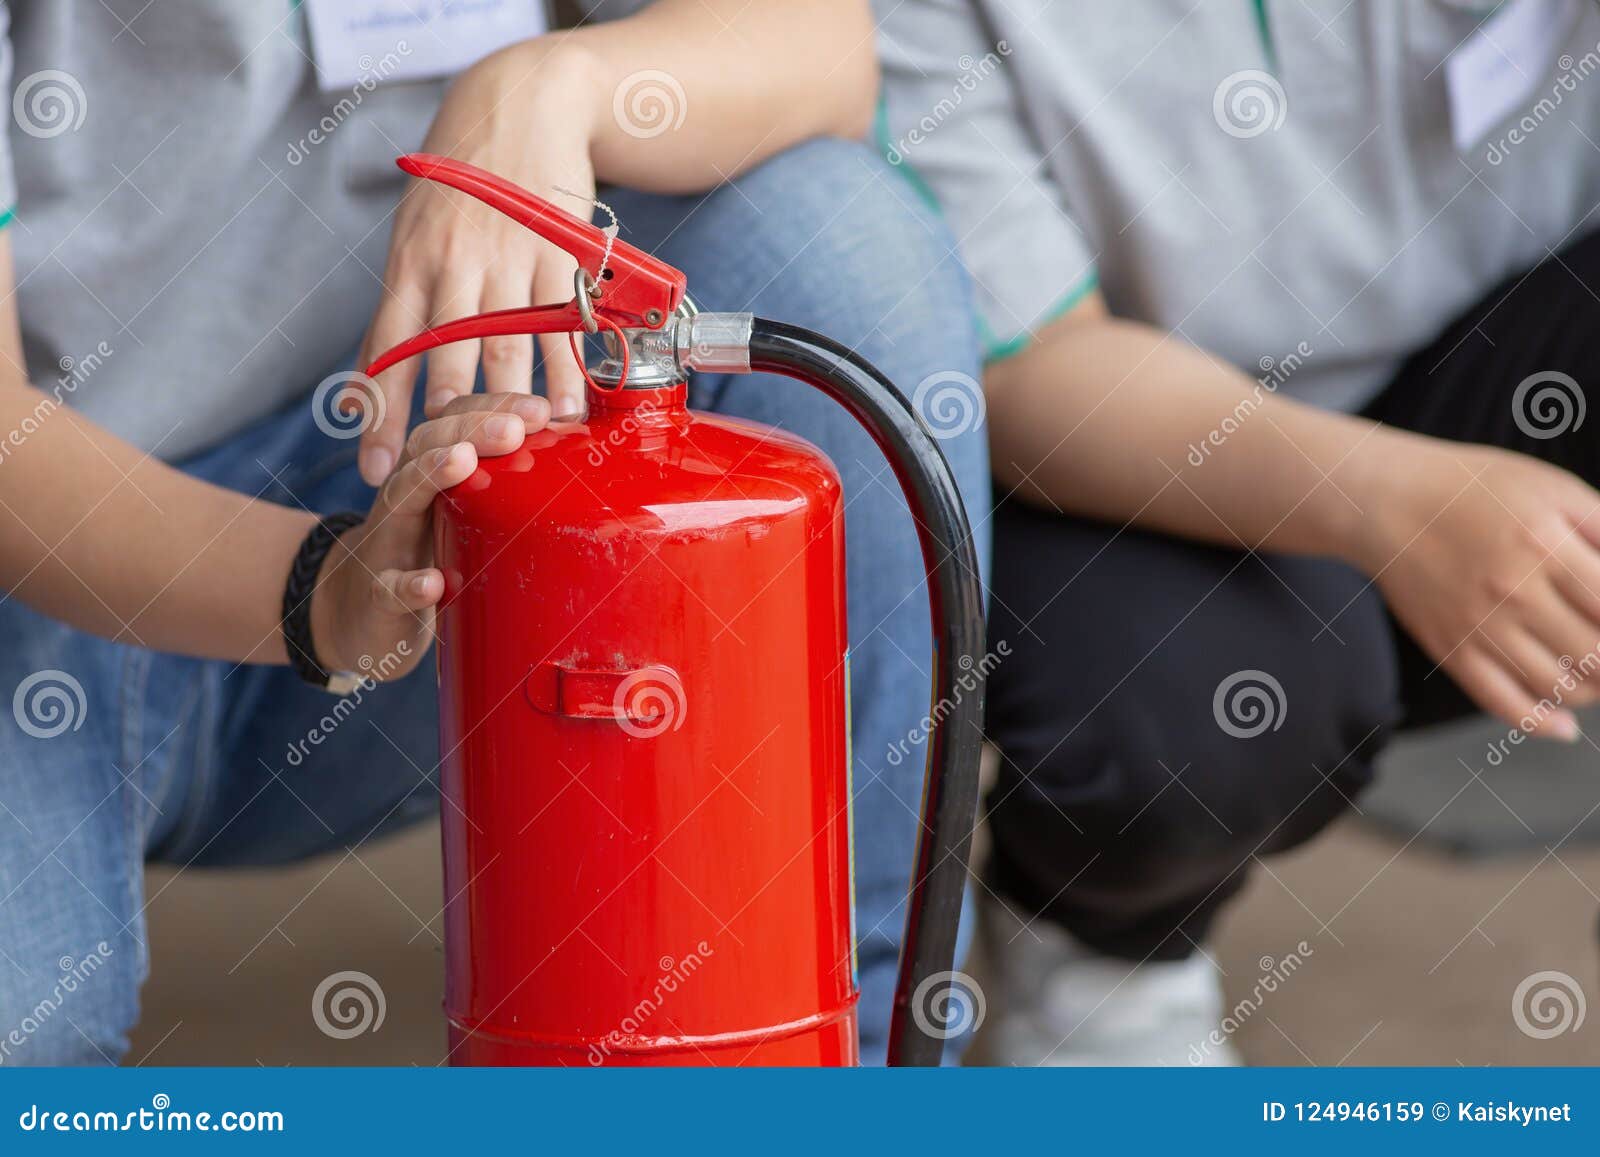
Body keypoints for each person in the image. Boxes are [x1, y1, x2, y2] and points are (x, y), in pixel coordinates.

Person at [0, 0, 987, 1064]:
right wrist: (327, 590)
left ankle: (866, 1052)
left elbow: (821, 48)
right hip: (56, 548)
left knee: (831, 232)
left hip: (441, 484)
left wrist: (542, 90)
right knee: (33, 1040)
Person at [877, 0, 1600, 1064]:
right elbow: (1032, 365)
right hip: (1115, 458)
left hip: (1481, 350)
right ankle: (1100, 952)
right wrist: (1398, 506)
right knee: (1207, 715)